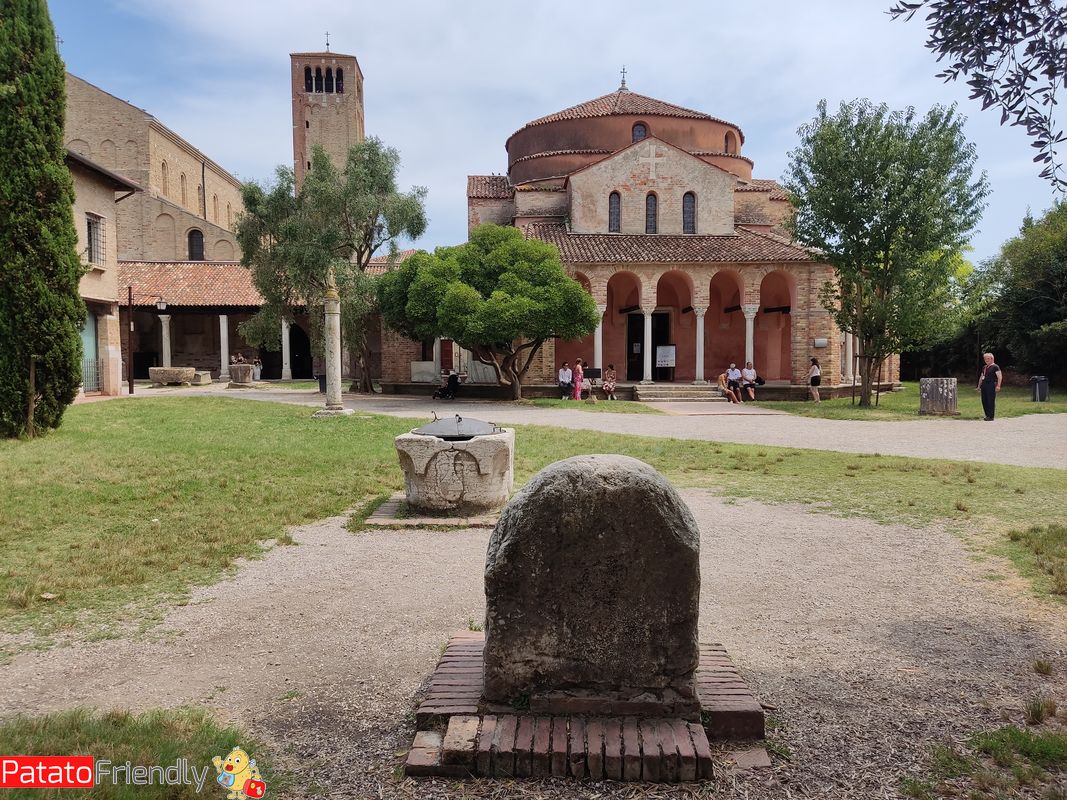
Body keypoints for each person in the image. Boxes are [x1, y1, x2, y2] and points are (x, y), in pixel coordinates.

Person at [977, 352, 1002, 421]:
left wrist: (998, 386)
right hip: (984, 385)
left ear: (992, 359)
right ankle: (987, 415)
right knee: (984, 400)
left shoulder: (995, 367)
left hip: (991, 385)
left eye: (988, 359)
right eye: (985, 359)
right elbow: (981, 376)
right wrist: (979, 386)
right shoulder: (984, 367)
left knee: (990, 400)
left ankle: (991, 416)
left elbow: (999, 377)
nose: (986, 360)